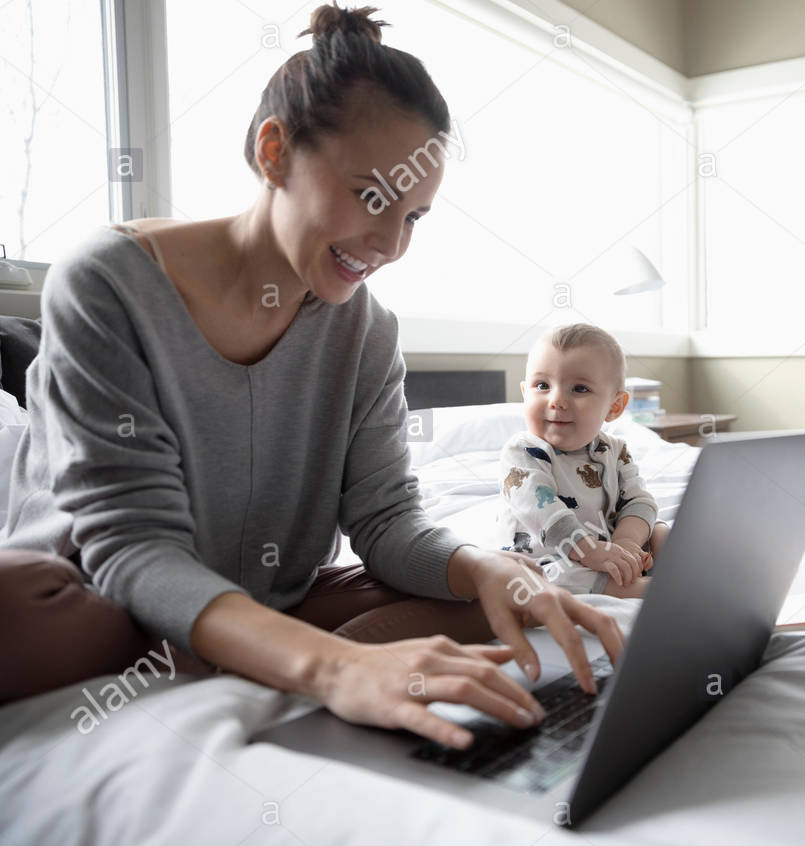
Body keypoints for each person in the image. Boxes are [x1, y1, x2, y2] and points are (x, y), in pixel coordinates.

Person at [0, 3, 624, 748]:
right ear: (274, 151)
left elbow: (386, 522)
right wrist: (330, 668)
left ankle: (264, 650)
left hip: (277, 599)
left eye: (415, 217)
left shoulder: (365, 329)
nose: (391, 244)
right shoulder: (105, 282)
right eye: (371, 197)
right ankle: (287, 655)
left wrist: (488, 569)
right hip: (102, 598)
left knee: (507, 587)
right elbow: (134, 549)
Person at [499, 323, 668, 600]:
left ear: (614, 407)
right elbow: (542, 512)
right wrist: (589, 551)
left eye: (579, 388)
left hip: (608, 545)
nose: (556, 400)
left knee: (659, 530)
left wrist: (626, 543)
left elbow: (640, 501)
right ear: (525, 392)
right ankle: (643, 591)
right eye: (542, 385)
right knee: (549, 577)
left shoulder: (614, 450)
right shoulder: (524, 453)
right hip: (549, 554)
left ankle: (680, 570)